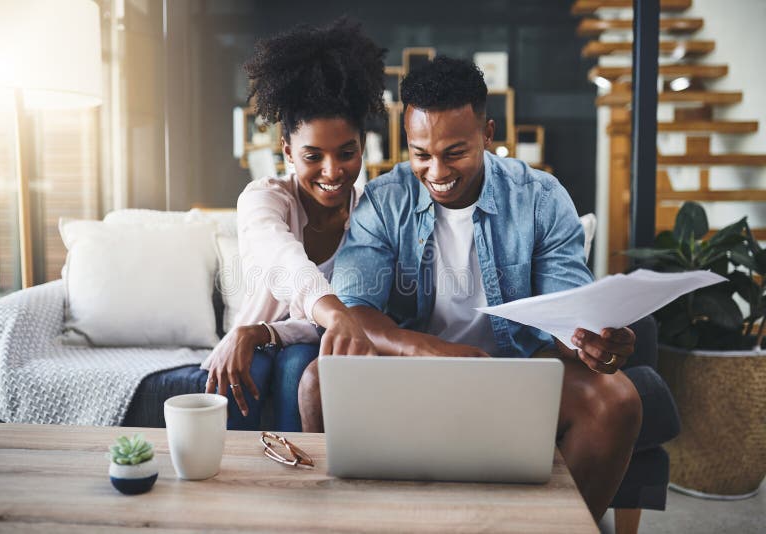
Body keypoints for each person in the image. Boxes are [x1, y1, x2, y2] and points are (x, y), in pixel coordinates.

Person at [298, 56, 642, 522]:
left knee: (616, 399)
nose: (436, 170)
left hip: (515, 374)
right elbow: (355, 308)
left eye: (454, 152)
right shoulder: (384, 200)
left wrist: (592, 341)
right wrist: (434, 352)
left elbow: (567, 311)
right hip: (411, 372)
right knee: (318, 381)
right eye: (421, 154)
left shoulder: (540, 197)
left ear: (488, 134)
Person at [203, 18, 382, 431]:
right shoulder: (264, 199)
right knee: (252, 366)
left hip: (314, 349)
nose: (333, 171)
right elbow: (284, 263)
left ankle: (302, 485)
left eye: (347, 152)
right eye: (313, 155)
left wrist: (262, 332)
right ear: (287, 151)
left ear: (362, 148)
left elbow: (361, 313)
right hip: (267, 348)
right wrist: (334, 314)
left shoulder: (371, 215)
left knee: (301, 364)